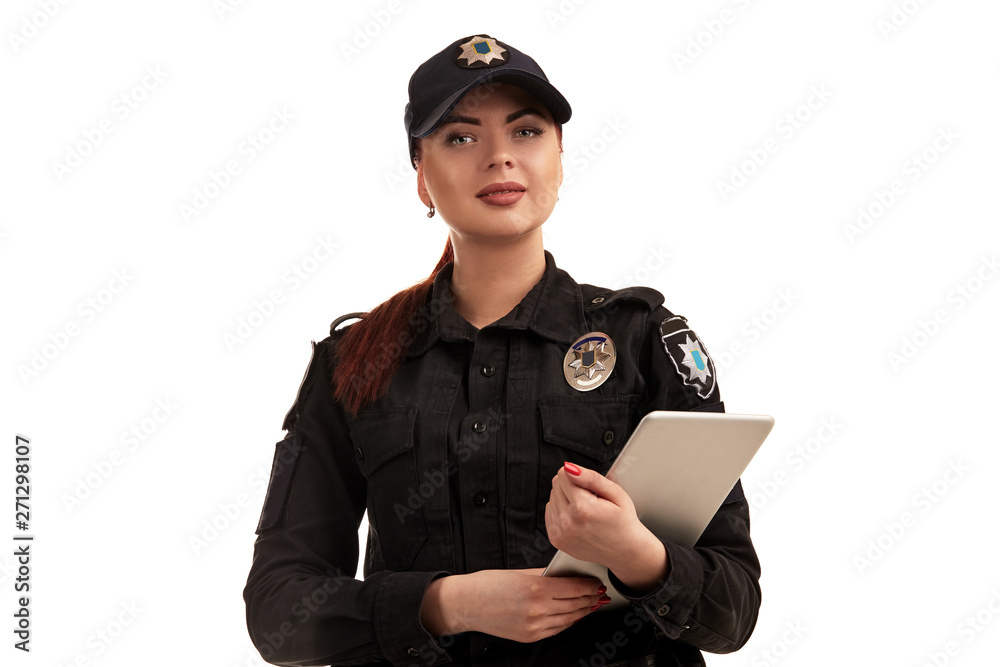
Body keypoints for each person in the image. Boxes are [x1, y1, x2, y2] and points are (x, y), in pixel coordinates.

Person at [243, 34, 761, 667]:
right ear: (421, 177)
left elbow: (734, 612)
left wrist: (636, 554)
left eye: (527, 132)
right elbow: (278, 614)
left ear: (560, 157)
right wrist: (448, 604)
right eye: (461, 138)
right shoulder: (352, 363)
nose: (499, 157)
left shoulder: (643, 339)